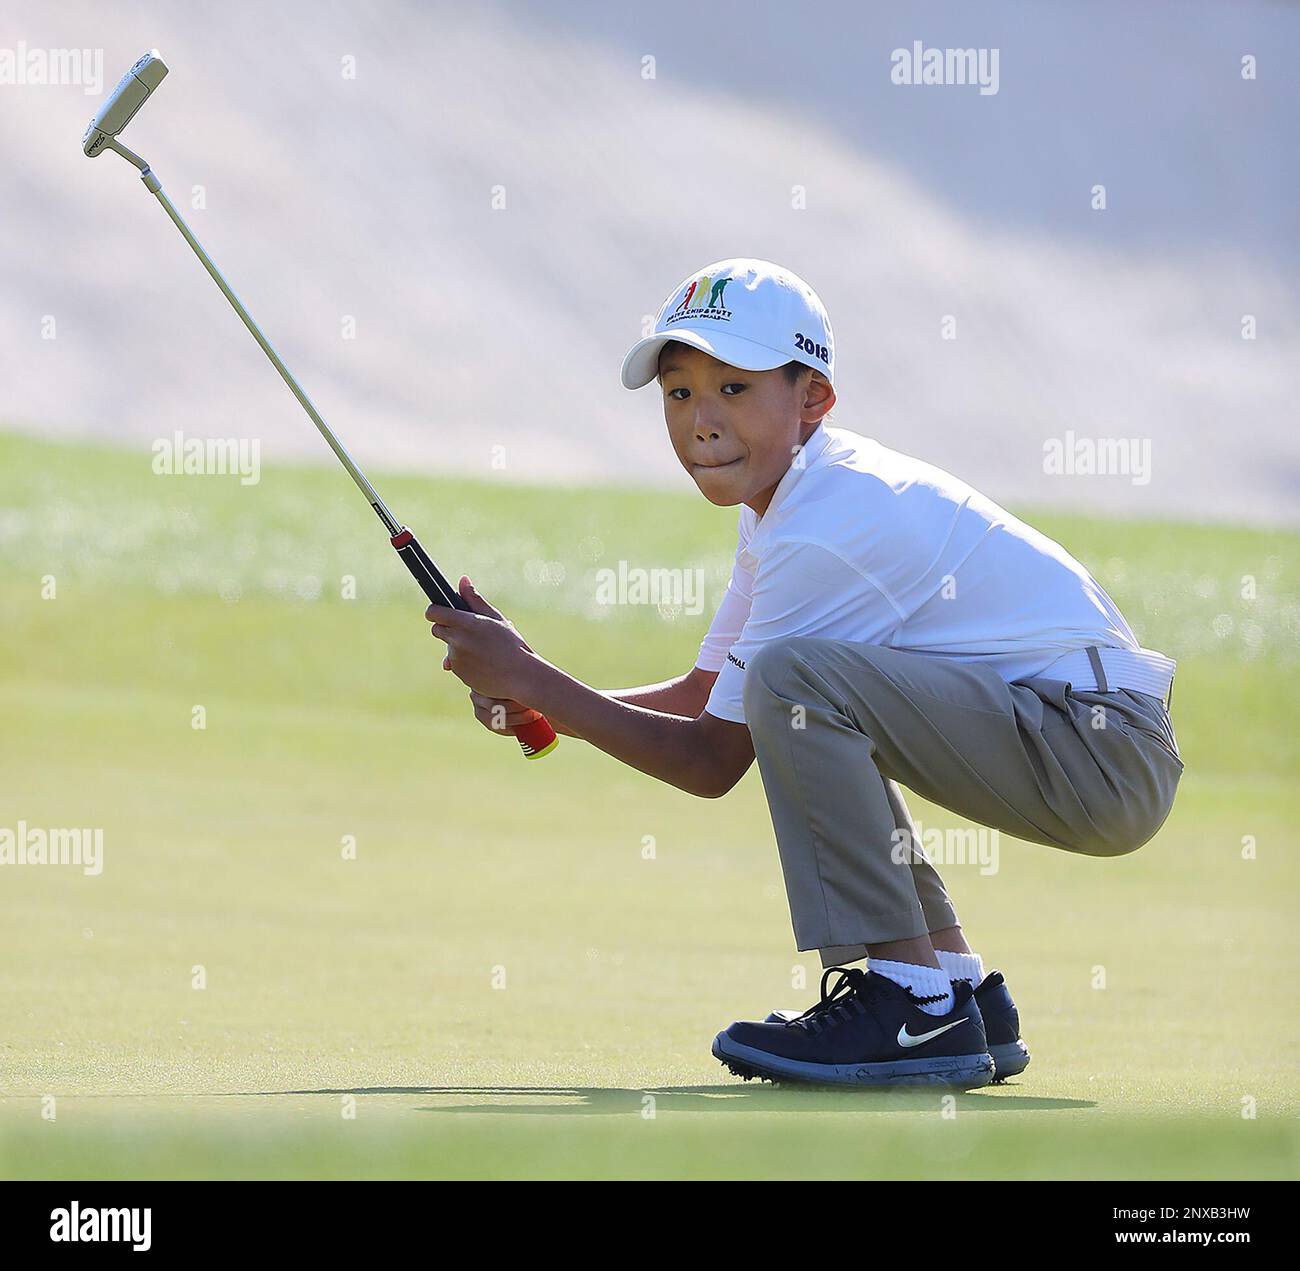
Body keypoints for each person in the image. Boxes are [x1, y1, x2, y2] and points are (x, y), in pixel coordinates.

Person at [426, 258, 1183, 1089]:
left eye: (735, 389)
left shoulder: (826, 523)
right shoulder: (792, 503)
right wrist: (546, 697)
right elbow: (702, 697)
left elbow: (715, 757)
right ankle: (957, 989)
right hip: (1080, 735)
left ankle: (912, 1003)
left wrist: (534, 681)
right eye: (679, 394)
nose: (701, 422)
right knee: (801, 686)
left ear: (812, 398)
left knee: (798, 684)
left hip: (1099, 749)